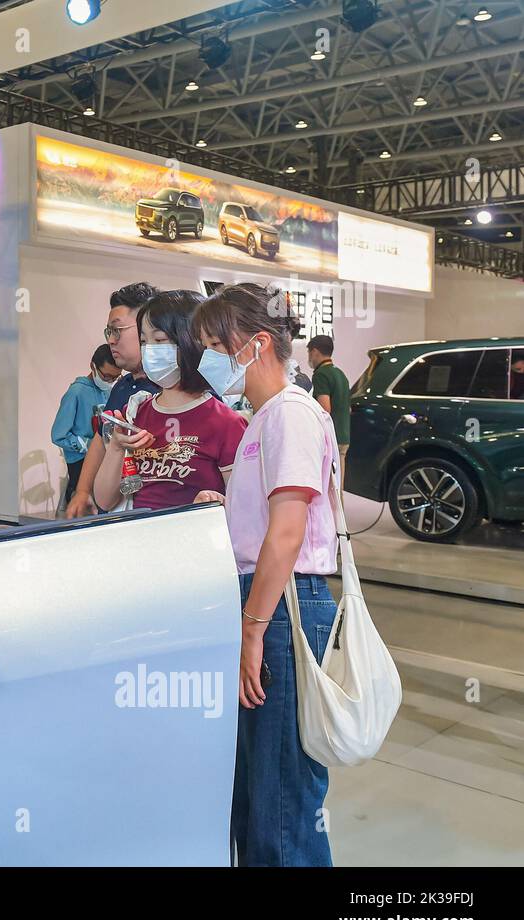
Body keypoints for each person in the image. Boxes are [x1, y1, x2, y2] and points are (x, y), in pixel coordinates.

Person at [191, 283, 340, 867]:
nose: (206, 360)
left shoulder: (292, 414)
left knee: (281, 799)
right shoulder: (263, 418)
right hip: (266, 603)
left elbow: (287, 532)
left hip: (282, 608)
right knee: (259, 794)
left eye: (212, 345)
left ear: (255, 344)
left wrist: (253, 631)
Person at [93, 291, 245, 512]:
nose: (150, 350)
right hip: (141, 539)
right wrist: (116, 448)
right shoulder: (135, 413)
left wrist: (213, 504)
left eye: (160, 340)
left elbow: (241, 507)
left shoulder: (225, 423)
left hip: (193, 540)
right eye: (144, 341)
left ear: (192, 342)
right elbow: (104, 500)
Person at [66, 281, 161, 518]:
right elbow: (101, 438)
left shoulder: (170, 388)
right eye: (109, 331)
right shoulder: (122, 385)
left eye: (117, 330)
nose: (111, 340)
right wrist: (82, 490)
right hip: (115, 506)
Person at [51, 344, 120, 509]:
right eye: (106, 376)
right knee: (87, 504)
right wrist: (84, 444)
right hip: (79, 460)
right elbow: (58, 435)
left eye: (115, 377)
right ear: (93, 366)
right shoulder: (76, 392)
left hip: (104, 456)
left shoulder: (110, 390)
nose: (110, 381)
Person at [307, 334, 351, 483]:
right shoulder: (341, 375)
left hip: (330, 438)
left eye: (309, 353)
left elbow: (324, 408)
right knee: (338, 487)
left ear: (314, 352)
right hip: (344, 436)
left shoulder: (321, 374)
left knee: (328, 487)